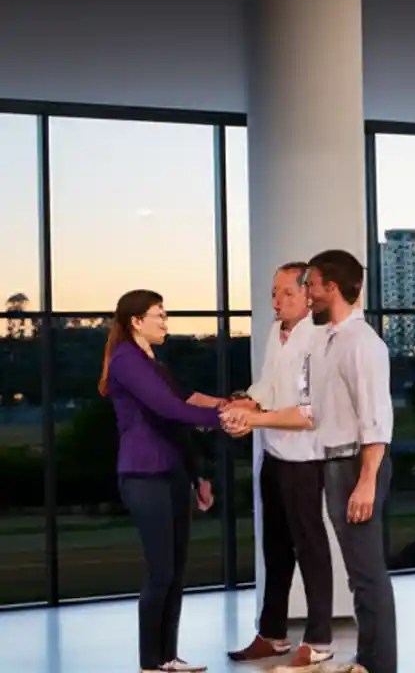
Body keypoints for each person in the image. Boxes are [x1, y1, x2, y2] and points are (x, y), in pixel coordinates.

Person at [223, 249, 397, 673]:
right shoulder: (329, 337)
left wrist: (367, 480)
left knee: (363, 571)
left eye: (307, 287)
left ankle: (358, 657)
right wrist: (249, 405)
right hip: (322, 459)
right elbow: (299, 400)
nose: (302, 294)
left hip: (340, 461)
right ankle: (364, 661)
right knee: (353, 572)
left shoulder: (354, 343)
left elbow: (372, 421)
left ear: (327, 289)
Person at [100, 289, 229, 673]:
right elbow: (170, 409)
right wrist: (225, 419)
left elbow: (188, 400)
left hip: (171, 474)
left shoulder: (153, 363)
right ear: (136, 321)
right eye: (159, 315)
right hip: (144, 476)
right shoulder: (126, 360)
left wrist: (231, 407)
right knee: (161, 573)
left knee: (175, 572)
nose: (165, 323)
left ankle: (168, 658)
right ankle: (150, 663)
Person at [225, 262, 335, 666]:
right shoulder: (278, 333)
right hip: (273, 454)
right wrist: (246, 403)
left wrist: (252, 419)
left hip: (304, 458)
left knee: (310, 547)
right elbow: (268, 385)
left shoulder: (318, 339)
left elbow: (307, 412)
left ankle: (319, 639)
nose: (277, 301)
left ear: (308, 294)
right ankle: (272, 634)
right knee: (274, 548)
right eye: (274, 293)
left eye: (287, 293)